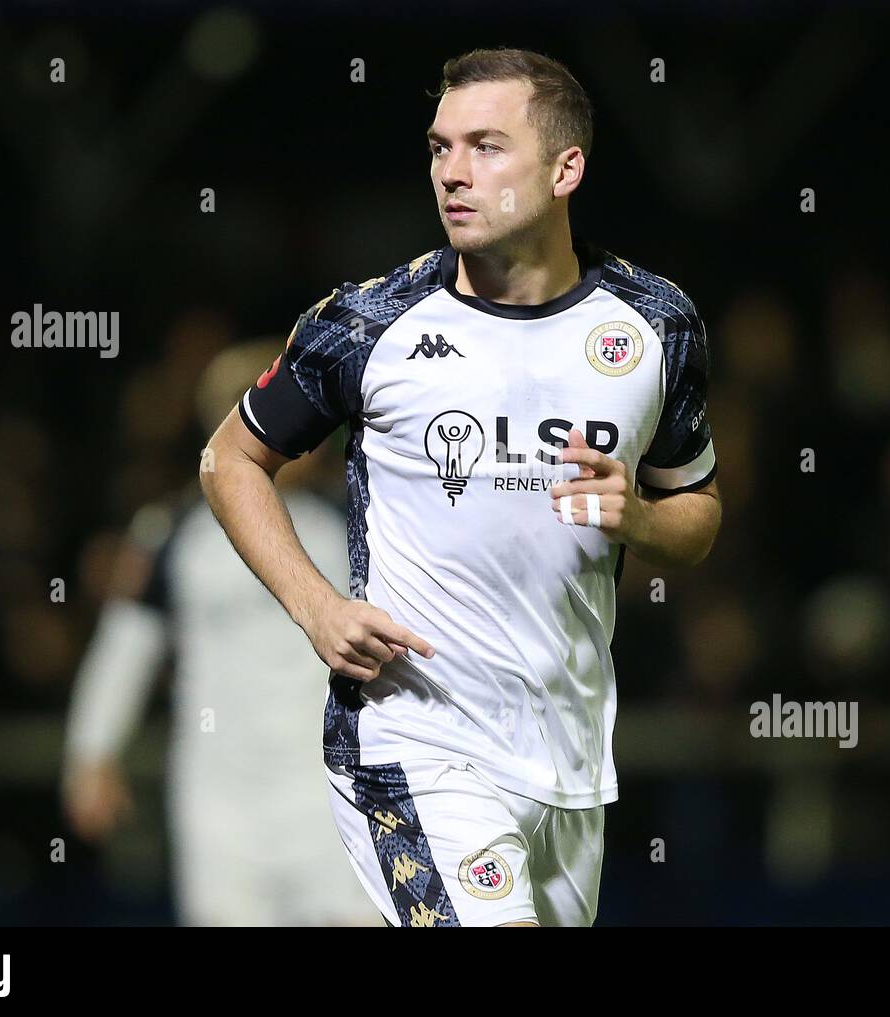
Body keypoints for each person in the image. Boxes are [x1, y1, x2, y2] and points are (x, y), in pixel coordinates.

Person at [200, 47, 721, 927]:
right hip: (417, 742)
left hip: (569, 759)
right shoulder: (368, 323)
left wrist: (639, 516)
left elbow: (699, 515)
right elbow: (229, 460)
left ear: (567, 169)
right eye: (440, 148)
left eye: (485, 146)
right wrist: (317, 607)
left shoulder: (656, 324)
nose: (451, 172)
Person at [63, 341, 380, 926]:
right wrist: (91, 752)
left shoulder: (360, 521)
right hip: (219, 803)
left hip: (335, 795)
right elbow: (125, 648)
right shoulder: (168, 536)